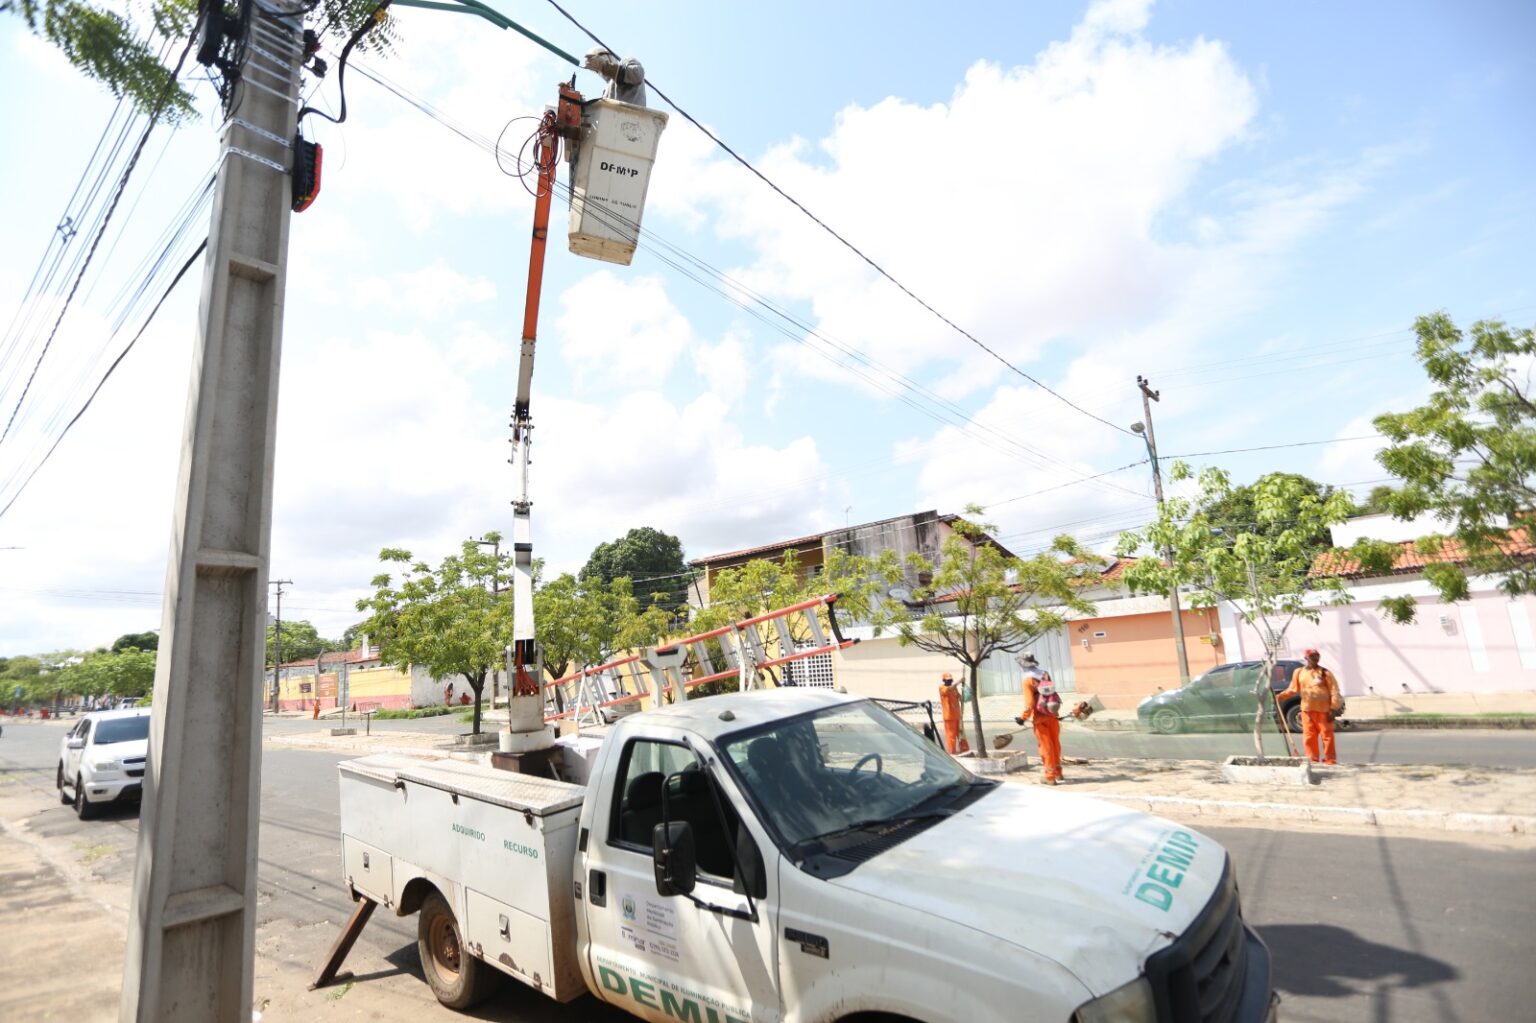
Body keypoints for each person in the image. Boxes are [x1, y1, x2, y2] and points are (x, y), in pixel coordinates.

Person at [1280, 648, 1343, 764]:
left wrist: (1333, 708)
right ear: (1306, 658)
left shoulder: (1325, 673)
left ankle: (1330, 759)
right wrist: (1279, 697)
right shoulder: (1299, 672)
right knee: (1309, 736)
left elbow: (1334, 691)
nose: (1315, 658)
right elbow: (1293, 689)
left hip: (1324, 710)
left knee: (1327, 736)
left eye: (1317, 655)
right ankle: (1312, 759)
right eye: (1312, 656)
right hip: (1307, 710)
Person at [1015, 653, 1064, 784]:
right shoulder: (1045, 674)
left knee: (1045, 747)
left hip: (1040, 718)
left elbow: (1030, 703)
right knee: (1055, 744)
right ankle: (1058, 772)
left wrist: (1022, 718)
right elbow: (1051, 694)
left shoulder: (1027, 680)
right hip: (1052, 714)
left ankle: (1049, 776)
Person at [938, 672, 968, 754]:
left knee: (961, 734)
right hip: (949, 717)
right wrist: (959, 682)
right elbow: (949, 689)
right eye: (947, 680)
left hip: (957, 715)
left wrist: (964, 692)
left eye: (950, 680)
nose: (949, 681)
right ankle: (952, 752)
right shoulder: (942, 688)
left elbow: (959, 697)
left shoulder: (954, 688)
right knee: (951, 736)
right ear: (944, 680)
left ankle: (965, 750)